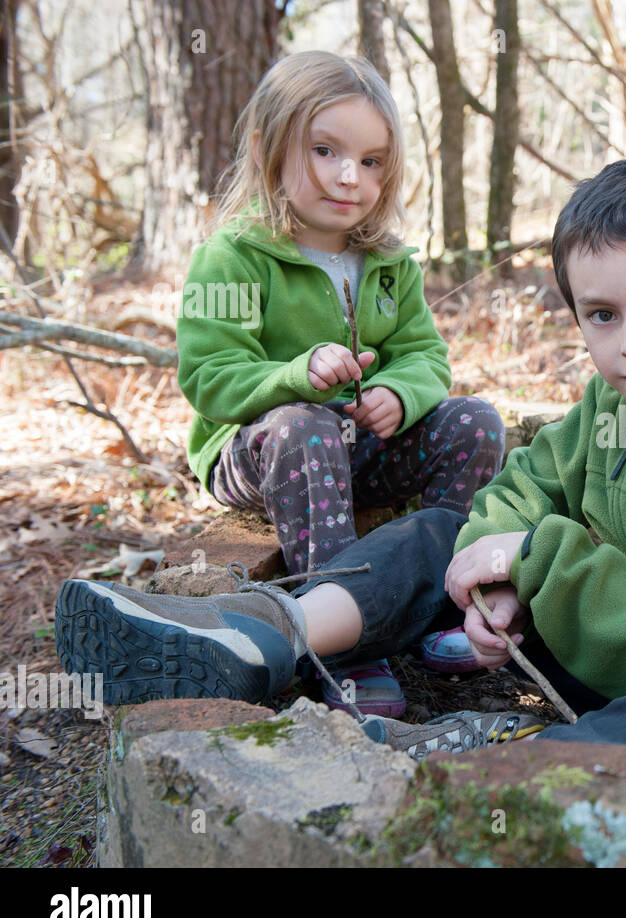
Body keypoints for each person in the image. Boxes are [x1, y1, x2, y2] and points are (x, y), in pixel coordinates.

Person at [55, 157, 626, 767]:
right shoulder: (625, 394)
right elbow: (522, 484)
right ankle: (269, 633)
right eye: (603, 315)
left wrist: (539, 558)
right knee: (446, 529)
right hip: (605, 649)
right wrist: (502, 573)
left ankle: (496, 760)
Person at [175, 52, 503, 716]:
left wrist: (402, 395)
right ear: (269, 147)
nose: (350, 176)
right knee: (306, 422)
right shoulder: (234, 258)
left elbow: (424, 358)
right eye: (325, 150)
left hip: (357, 448)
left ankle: (445, 605)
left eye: (372, 160)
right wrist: (296, 375)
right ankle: (345, 644)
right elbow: (211, 376)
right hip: (260, 449)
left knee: (477, 422)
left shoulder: (386, 263)